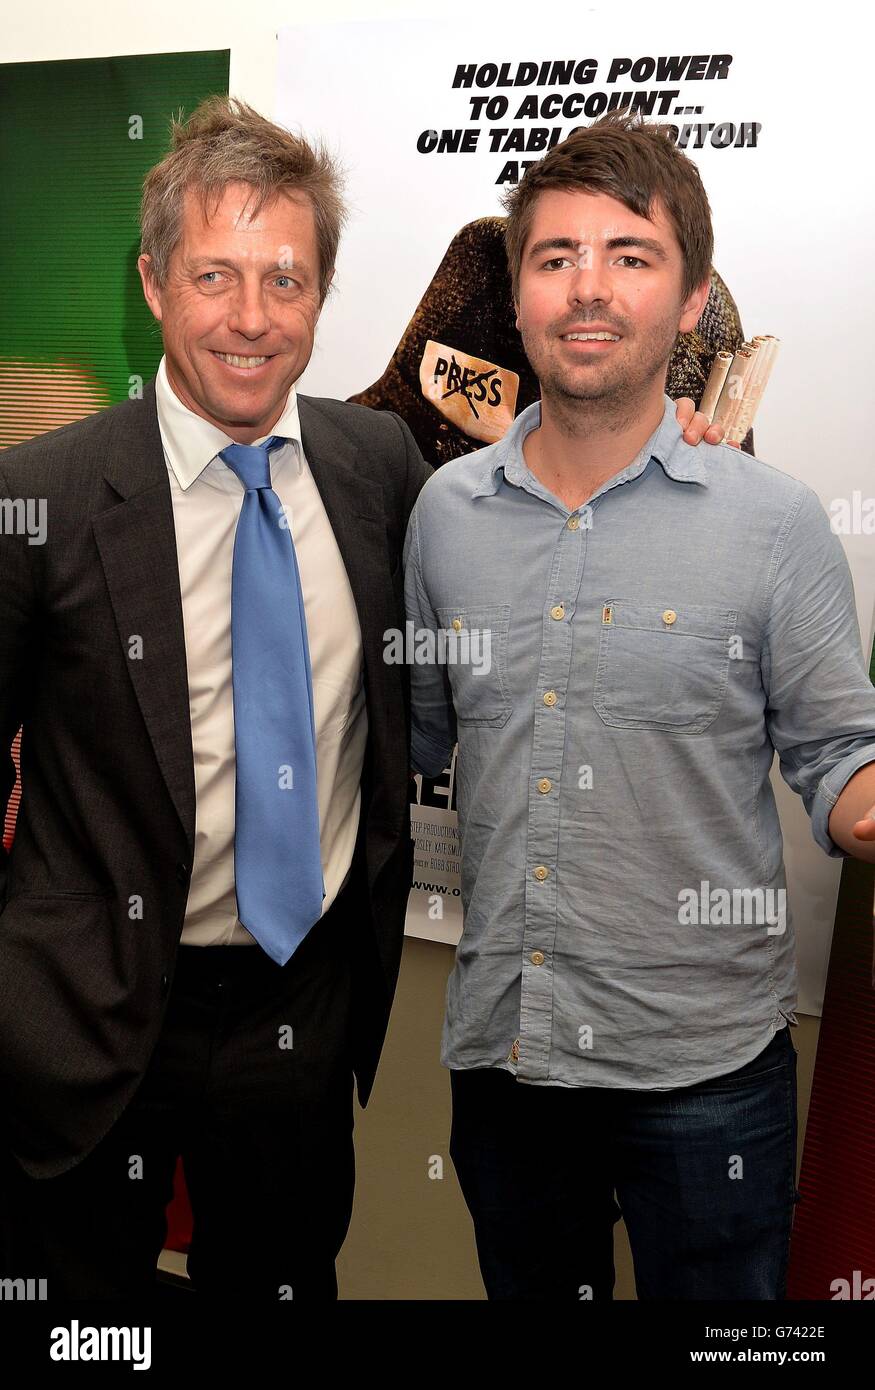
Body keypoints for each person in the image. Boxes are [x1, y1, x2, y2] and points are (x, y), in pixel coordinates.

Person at [404, 108, 875, 1301]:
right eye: (554, 258)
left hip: (706, 1080)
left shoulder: (773, 522)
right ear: (514, 296)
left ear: (689, 295)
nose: (586, 290)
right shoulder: (443, 515)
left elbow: (840, 764)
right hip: (507, 1061)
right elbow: (410, 741)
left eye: (629, 256)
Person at [0, 94, 435, 1299]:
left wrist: (697, 442)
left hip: (298, 1009)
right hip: (90, 1019)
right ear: (152, 284)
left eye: (285, 281)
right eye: (214, 277)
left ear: (320, 296)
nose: (250, 321)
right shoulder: (42, 496)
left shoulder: (375, 465)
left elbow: (547, 487)